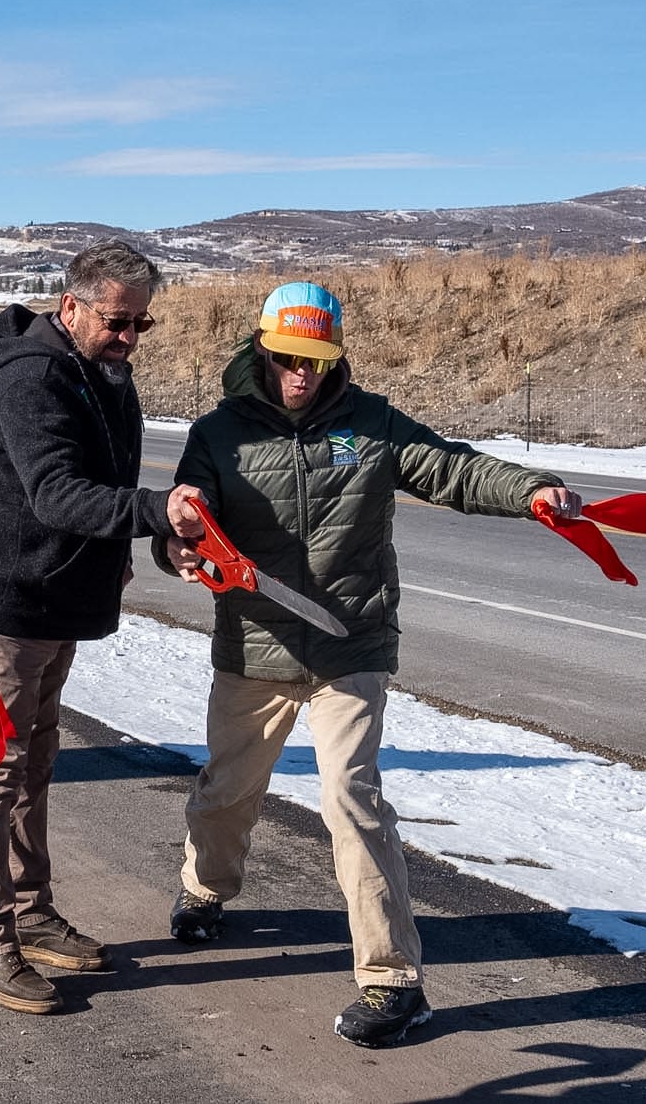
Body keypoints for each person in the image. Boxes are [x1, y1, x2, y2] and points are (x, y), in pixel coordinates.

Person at [157, 281, 581, 1049]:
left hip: (347, 646)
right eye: (288, 360)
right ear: (260, 348)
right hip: (253, 646)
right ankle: (205, 889)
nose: (301, 376)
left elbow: (452, 468)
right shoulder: (218, 433)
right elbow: (187, 521)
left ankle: (392, 981)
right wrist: (177, 544)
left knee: (352, 800)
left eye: (317, 362)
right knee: (227, 791)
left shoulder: (371, 423)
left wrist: (531, 491)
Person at [0, 238, 207, 1014]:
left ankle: (31, 912)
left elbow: (99, 484)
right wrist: (156, 509)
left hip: (56, 601)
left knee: (33, 765)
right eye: (117, 322)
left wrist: (120, 551)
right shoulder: (32, 378)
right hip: (6, 610)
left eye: (140, 324)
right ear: (71, 306)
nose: (128, 338)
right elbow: (57, 494)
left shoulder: (100, 371)